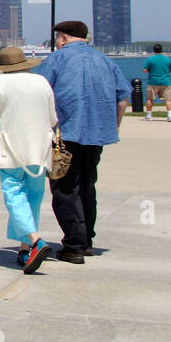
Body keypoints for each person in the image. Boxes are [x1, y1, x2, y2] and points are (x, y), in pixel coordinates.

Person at [34, 20, 131, 264]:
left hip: (65, 134)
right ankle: (87, 241)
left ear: (63, 38)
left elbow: (40, 93)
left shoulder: (57, 60)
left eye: (57, 39)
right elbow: (122, 98)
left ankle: (74, 245)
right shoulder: (106, 61)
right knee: (88, 184)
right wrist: (114, 126)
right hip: (97, 134)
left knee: (65, 187)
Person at [0, 47, 57, 274]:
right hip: (39, 148)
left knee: (13, 193)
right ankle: (25, 249)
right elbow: (52, 116)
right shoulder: (42, 82)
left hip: (10, 148)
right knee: (33, 196)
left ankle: (35, 241)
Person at [142, 43, 171, 122]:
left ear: (154, 50)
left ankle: (149, 115)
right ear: (161, 50)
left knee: (150, 99)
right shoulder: (167, 59)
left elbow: (145, 70)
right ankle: (170, 115)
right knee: (168, 99)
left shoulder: (150, 59)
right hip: (165, 82)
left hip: (153, 82)